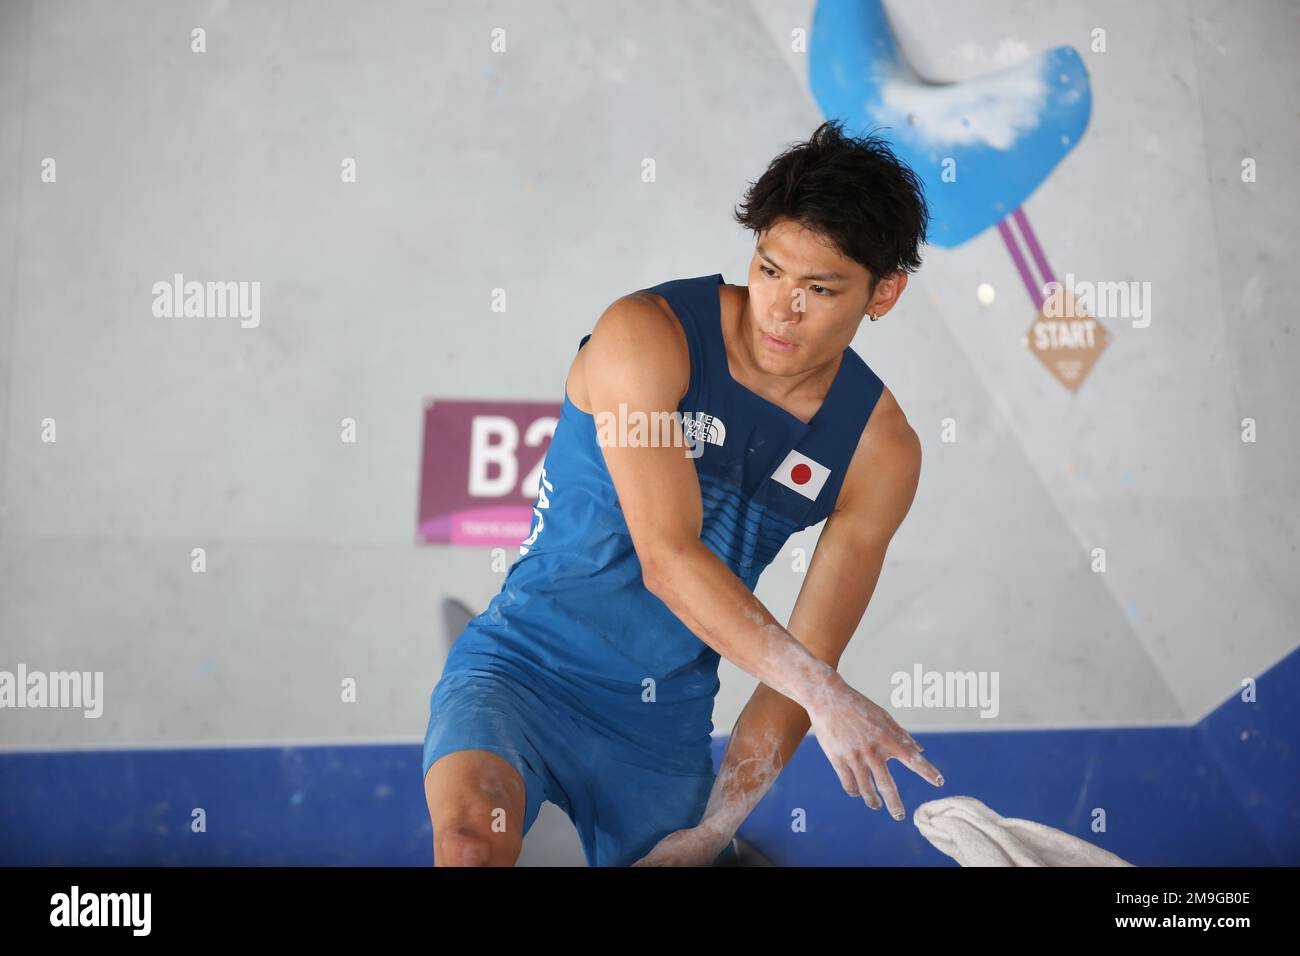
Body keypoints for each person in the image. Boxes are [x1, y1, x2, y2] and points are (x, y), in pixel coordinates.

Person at [422, 119, 944, 867]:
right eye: (769, 270)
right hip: (523, 670)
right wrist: (828, 694)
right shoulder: (647, 334)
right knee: (471, 840)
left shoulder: (879, 449)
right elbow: (667, 560)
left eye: (818, 289)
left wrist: (713, 830)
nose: (781, 309)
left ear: (883, 293)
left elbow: (805, 666)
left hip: (659, 724)